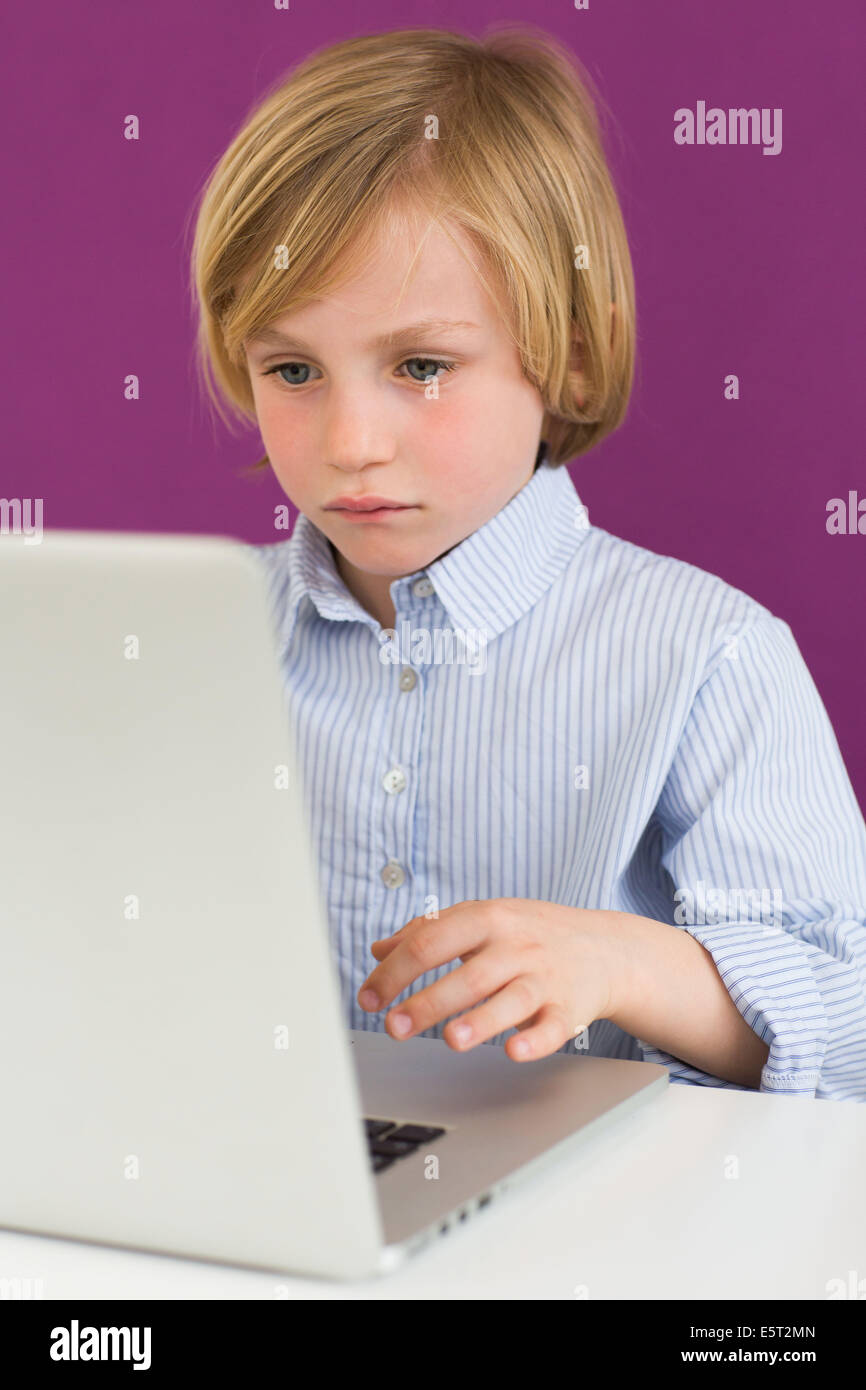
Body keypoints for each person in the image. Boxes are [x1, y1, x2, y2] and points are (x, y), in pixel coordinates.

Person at [188, 26, 866, 1098]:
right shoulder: (188, 640)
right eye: (292, 368)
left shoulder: (706, 655)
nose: (349, 440)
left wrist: (631, 965)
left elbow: (850, 1025)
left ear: (573, 361)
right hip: (269, 1210)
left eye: (420, 365)